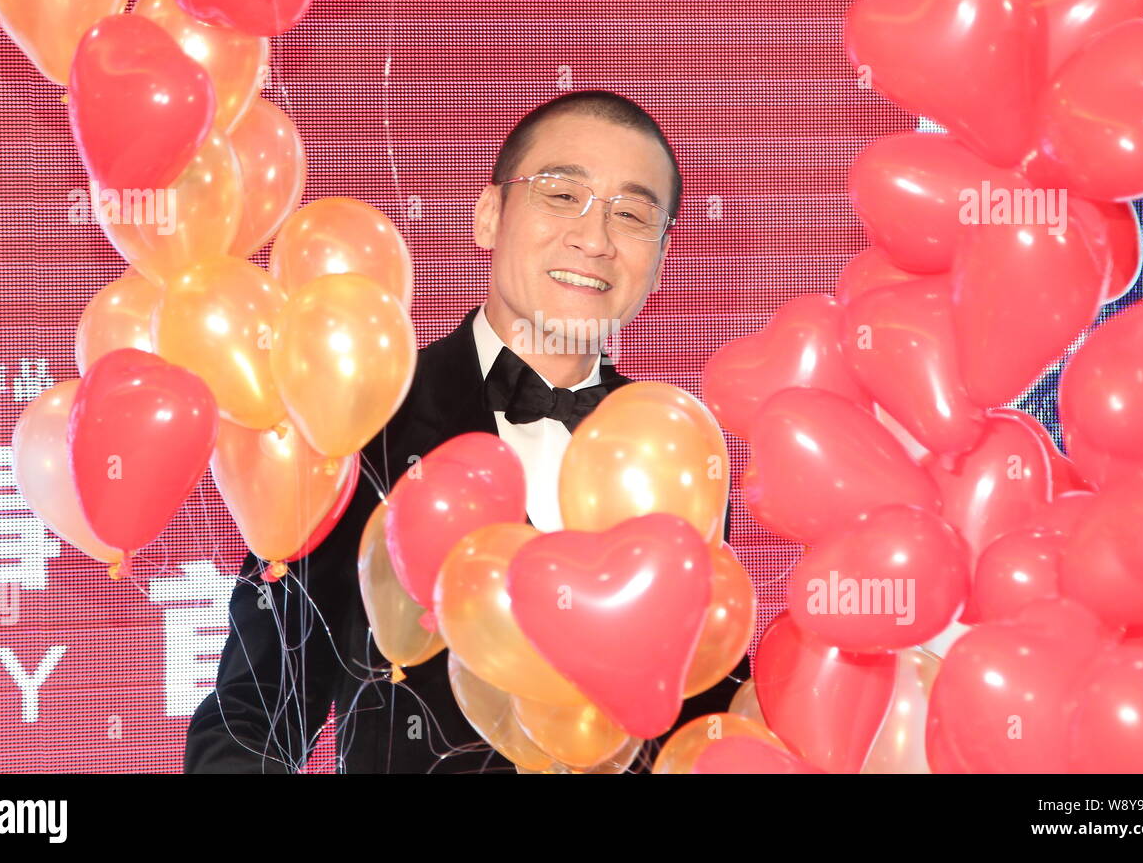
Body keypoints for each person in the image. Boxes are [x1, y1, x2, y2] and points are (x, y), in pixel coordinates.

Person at [184, 89, 749, 773]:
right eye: (561, 195)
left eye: (630, 214)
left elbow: (709, 714)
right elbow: (253, 716)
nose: (594, 238)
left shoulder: (679, 447)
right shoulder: (362, 418)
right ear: (489, 214)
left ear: (660, 261)